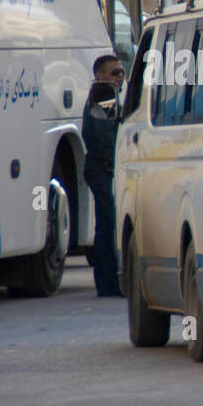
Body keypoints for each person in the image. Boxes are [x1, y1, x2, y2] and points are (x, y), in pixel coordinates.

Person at [82, 55, 124, 297]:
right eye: (114, 72)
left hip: (100, 166)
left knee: (105, 224)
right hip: (102, 167)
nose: (120, 76)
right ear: (100, 75)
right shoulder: (103, 93)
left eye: (121, 72)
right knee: (109, 225)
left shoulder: (108, 92)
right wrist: (112, 162)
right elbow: (104, 133)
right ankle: (108, 284)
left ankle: (107, 282)